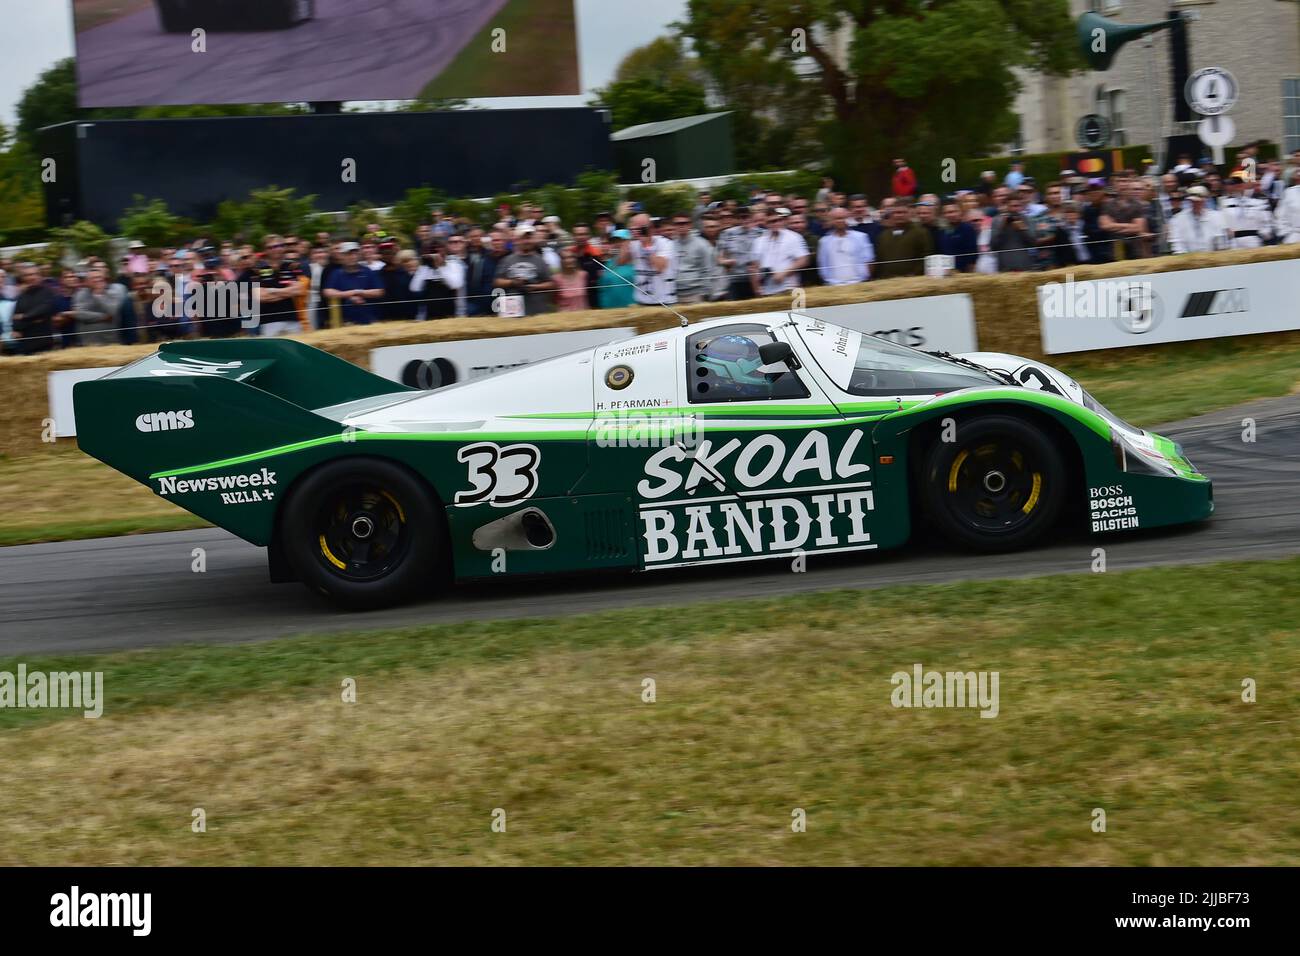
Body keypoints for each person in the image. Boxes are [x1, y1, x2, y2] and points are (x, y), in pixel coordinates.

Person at [240, 235, 304, 336]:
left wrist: (271, 291)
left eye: (279, 245)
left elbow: (299, 290)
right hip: (269, 321)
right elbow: (260, 296)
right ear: (265, 250)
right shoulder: (257, 269)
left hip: (292, 319)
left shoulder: (292, 265)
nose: (276, 249)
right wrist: (288, 291)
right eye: (271, 247)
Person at [495, 226, 556, 315]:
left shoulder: (541, 260)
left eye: (529, 238)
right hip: (512, 310)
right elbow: (497, 282)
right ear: (517, 240)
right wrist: (513, 282)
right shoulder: (507, 260)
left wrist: (535, 287)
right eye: (523, 238)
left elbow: (551, 284)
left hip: (537, 311)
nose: (527, 241)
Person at [749, 208, 809, 296]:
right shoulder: (758, 241)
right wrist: (756, 288)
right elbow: (754, 267)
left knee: (795, 310)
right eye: (771, 221)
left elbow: (804, 259)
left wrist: (784, 273)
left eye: (778, 220)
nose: (775, 223)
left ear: (782, 220)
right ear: (766, 223)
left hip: (789, 288)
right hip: (767, 290)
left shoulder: (793, 237)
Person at [620, 213, 676, 306]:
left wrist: (647, 245)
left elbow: (660, 267)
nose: (637, 232)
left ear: (650, 228)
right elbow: (621, 262)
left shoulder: (665, 243)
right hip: (641, 300)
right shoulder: (634, 244)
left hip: (663, 301)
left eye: (640, 229)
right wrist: (627, 237)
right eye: (633, 229)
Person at [324, 242, 385, 325]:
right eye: (348, 254)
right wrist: (351, 294)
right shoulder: (336, 273)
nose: (352, 257)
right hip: (346, 321)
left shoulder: (368, 271)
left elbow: (379, 291)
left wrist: (359, 292)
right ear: (342, 256)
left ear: (359, 255)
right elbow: (328, 292)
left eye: (355, 254)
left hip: (370, 319)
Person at [6, 264, 58, 354]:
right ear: (23, 278)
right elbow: (15, 319)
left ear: (40, 276)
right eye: (27, 275)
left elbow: (43, 310)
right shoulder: (22, 296)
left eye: (34, 274)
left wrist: (24, 317)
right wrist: (18, 328)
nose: (31, 277)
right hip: (25, 344)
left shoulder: (47, 292)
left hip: (44, 343)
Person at [816, 207, 874, 284]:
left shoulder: (861, 237)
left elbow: (869, 261)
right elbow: (822, 265)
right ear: (831, 221)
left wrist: (864, 280)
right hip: (834, 286)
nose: (840, 221)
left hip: (859, 283)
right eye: (837, 218)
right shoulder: (824, 242)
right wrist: (828, 281)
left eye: (843, 218)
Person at [872, 204, 931, 279]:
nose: (899, 215)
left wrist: (915, 274)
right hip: (887, 281)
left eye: (903, 212)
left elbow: (927, 255)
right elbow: (879, 260)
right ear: (891, 215)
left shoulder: (921, 232)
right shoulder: (883, 236)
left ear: (909, 214)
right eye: (896, 212)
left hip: (913, 281)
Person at [671, 211, 718, 304]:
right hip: (675, 294)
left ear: (690, 225)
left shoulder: (702, 244)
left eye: (684, 223)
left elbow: (708, 270)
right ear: (674, 226)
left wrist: (704, 293)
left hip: (696, 294)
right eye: (677, 223)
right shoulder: (670, 244)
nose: (681, 226)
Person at [1169, 186, 1232, 254]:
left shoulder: (1217, 217)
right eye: (1192, 201)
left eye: (1198, 201)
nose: (1195, 204)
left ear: (1205, 200)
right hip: (1188, 259)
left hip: (1213, 258)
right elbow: (1177, 244)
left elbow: (1221, 243)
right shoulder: (1177, 219)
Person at [596, 230, 638, 308]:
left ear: (629, 242)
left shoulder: (637, 263)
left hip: (631, 311)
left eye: (621, 240)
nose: (617, 244)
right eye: (614, 241)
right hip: (609, 310)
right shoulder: (607, 263)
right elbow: (602, 288)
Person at [936, 203, 979, 272]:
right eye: (947, 213)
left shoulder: (968, 229)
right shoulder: (942, 232)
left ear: (960, 212)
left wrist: (970, 270)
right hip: (948, 272)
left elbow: (972, 251)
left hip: (965, 272)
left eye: (953, 212)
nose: (950, 215)